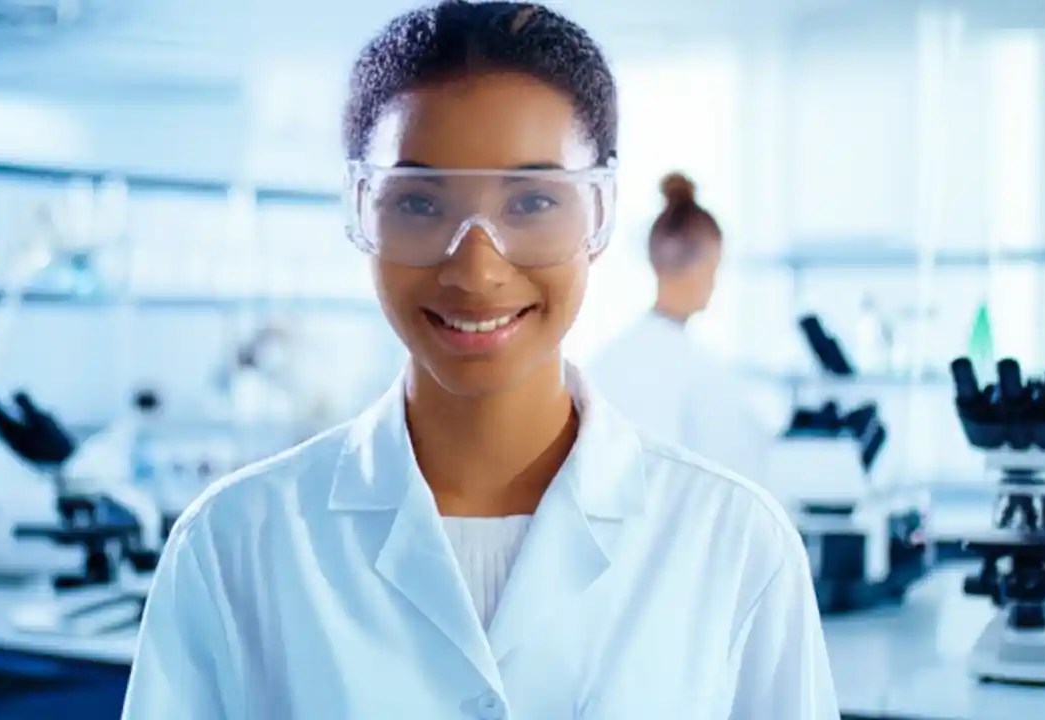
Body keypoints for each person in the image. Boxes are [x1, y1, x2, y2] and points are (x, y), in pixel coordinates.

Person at [122, 3, 837, 718]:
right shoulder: (233, 544)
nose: (477, 269)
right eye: (419, 204)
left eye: (532, 202)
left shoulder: (737, 546)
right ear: (362, 213)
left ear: (598, 215)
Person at [589, 173, 772, 483]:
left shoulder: (607, 360)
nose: (714, 283)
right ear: (700, 267)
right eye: (714, 268)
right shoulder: (698, 367)